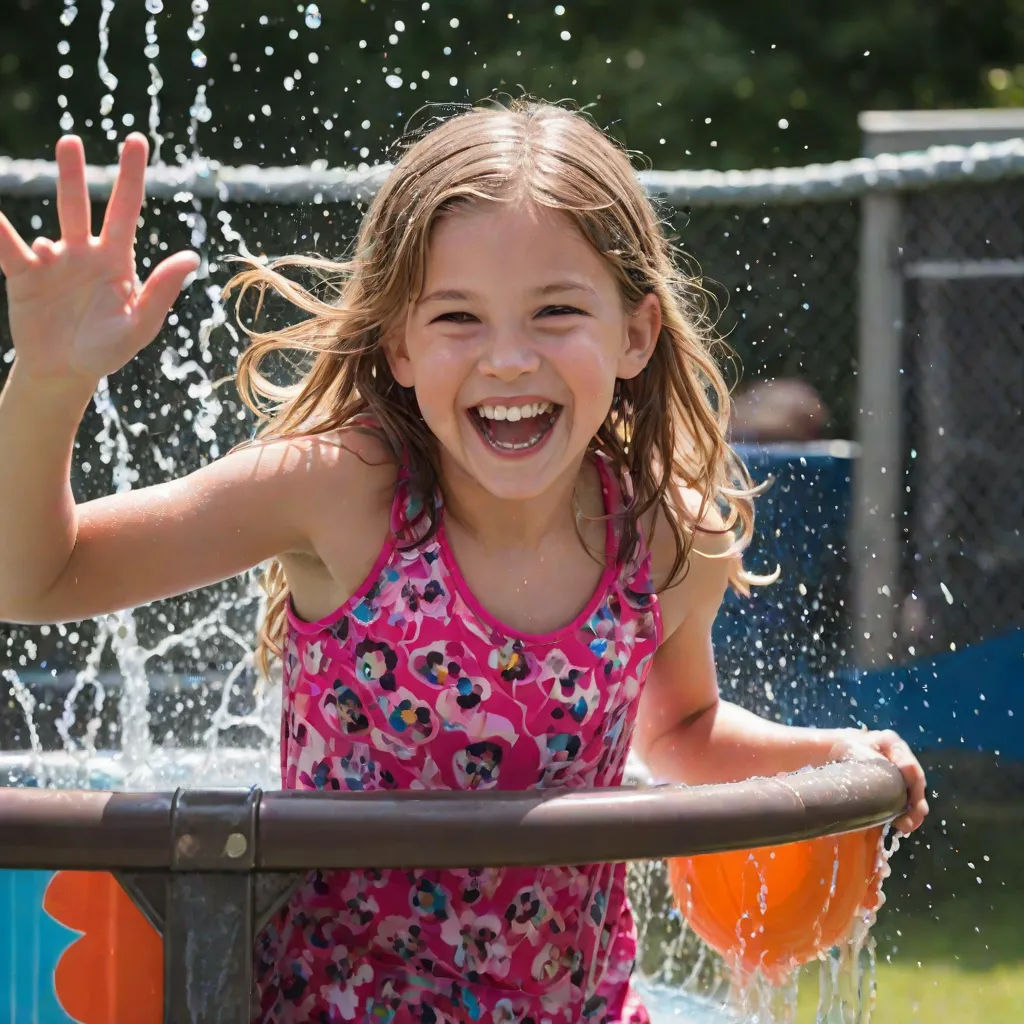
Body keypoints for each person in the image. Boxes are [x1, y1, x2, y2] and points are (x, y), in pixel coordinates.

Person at [0, 100, 928, 1024]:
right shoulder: (341, 492)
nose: (510, 358)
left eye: (557, 311)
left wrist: (834, 754)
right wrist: (49, 383)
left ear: (636, 334)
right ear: (399, 342)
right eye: (459, 318)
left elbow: (681, 728)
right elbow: (33, 578)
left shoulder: (664, 536)